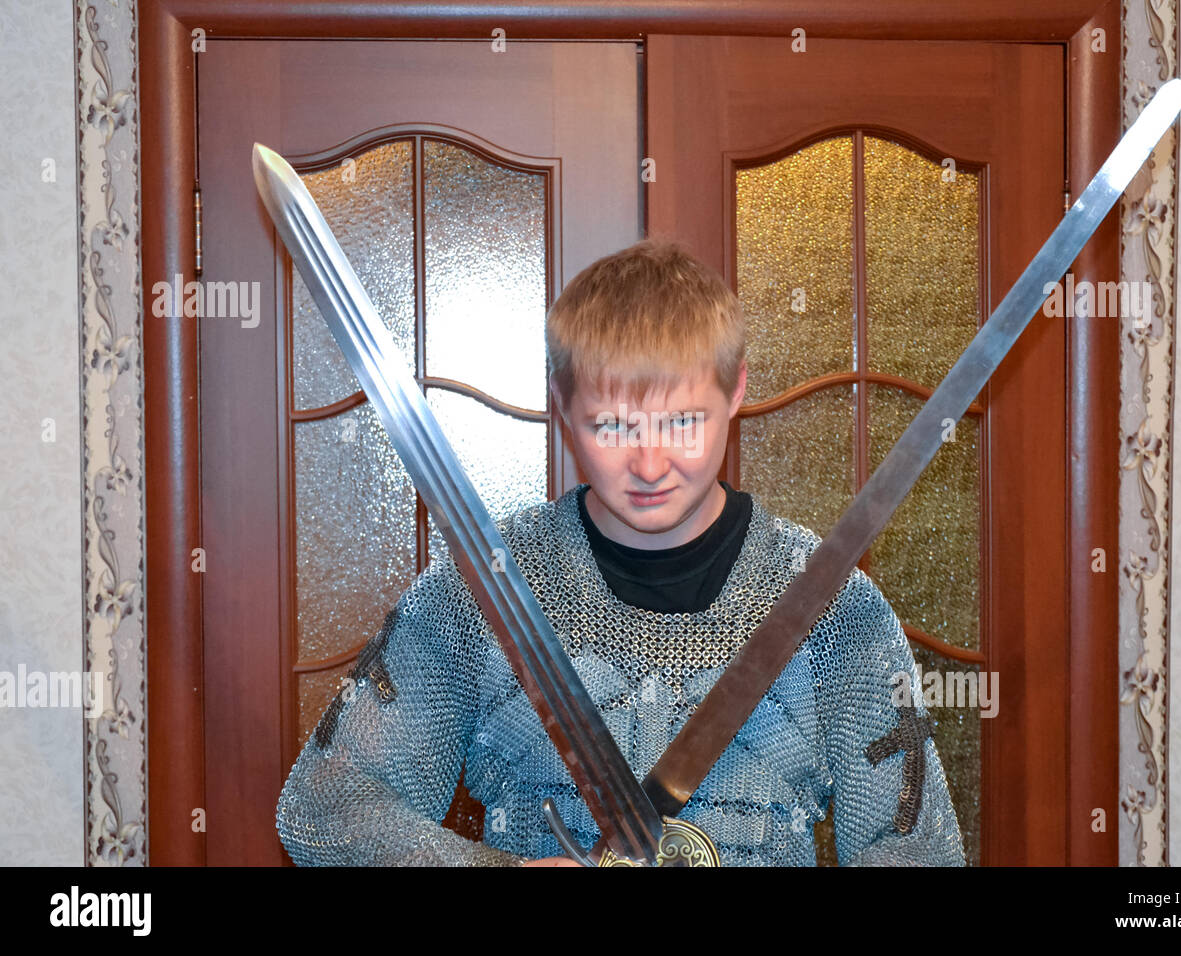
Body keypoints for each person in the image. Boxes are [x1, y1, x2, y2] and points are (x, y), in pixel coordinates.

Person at [275, 237, 966, 866]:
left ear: (737, 392)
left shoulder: (833, 611)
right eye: (612, 426)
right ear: (561, 407)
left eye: (684, 421)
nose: (650, 463)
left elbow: (919, 856)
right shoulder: (481, 593)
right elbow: (325, 811)